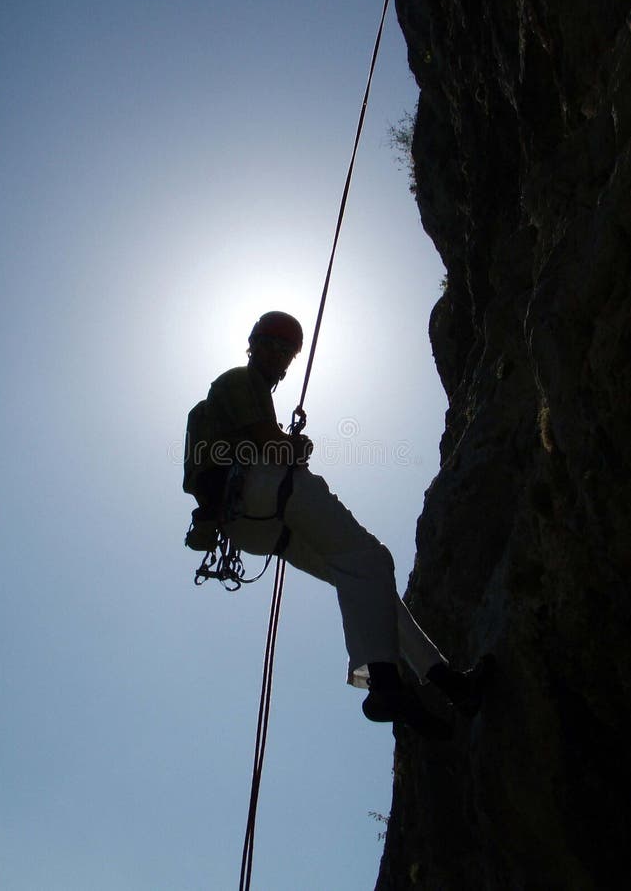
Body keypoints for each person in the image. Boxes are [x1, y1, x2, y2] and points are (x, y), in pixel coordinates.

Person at [185, 311, 493, 739]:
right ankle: (385, 684)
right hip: (261, 488)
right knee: (369, 558)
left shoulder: (231, 399)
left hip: (245, 527)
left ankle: (446, 683)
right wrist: (293, 446)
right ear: (253, 345)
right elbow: (272, 449)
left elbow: (254, 444)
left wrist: (284, 445)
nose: (280, 356)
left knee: (366, 580)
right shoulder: (239, 381)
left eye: (286, 350)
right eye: (273, 345)